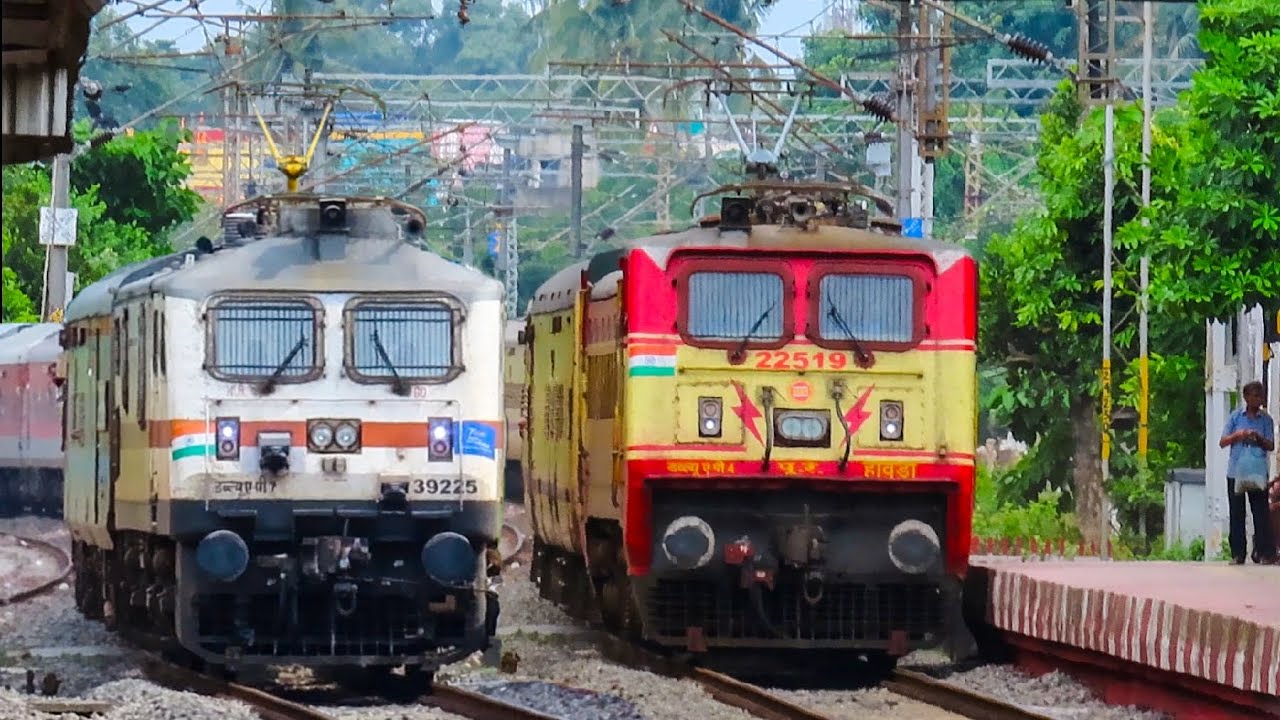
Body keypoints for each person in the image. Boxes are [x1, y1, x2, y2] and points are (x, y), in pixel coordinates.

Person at [1219, 381, 1276, 565]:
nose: (1258, 399)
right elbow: (1223, 441)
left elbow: (1271, 445)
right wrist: (1240, 435)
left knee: (1261, 513)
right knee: (1237, 513)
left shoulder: (1266, 420)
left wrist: (1258, 438)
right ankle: (1238, 553)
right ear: (1246, 397)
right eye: (1255, 395)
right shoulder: (1236, 417)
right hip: (1236, 471)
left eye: (1260, 395)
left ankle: (1263, 552)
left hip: (1258, 473)